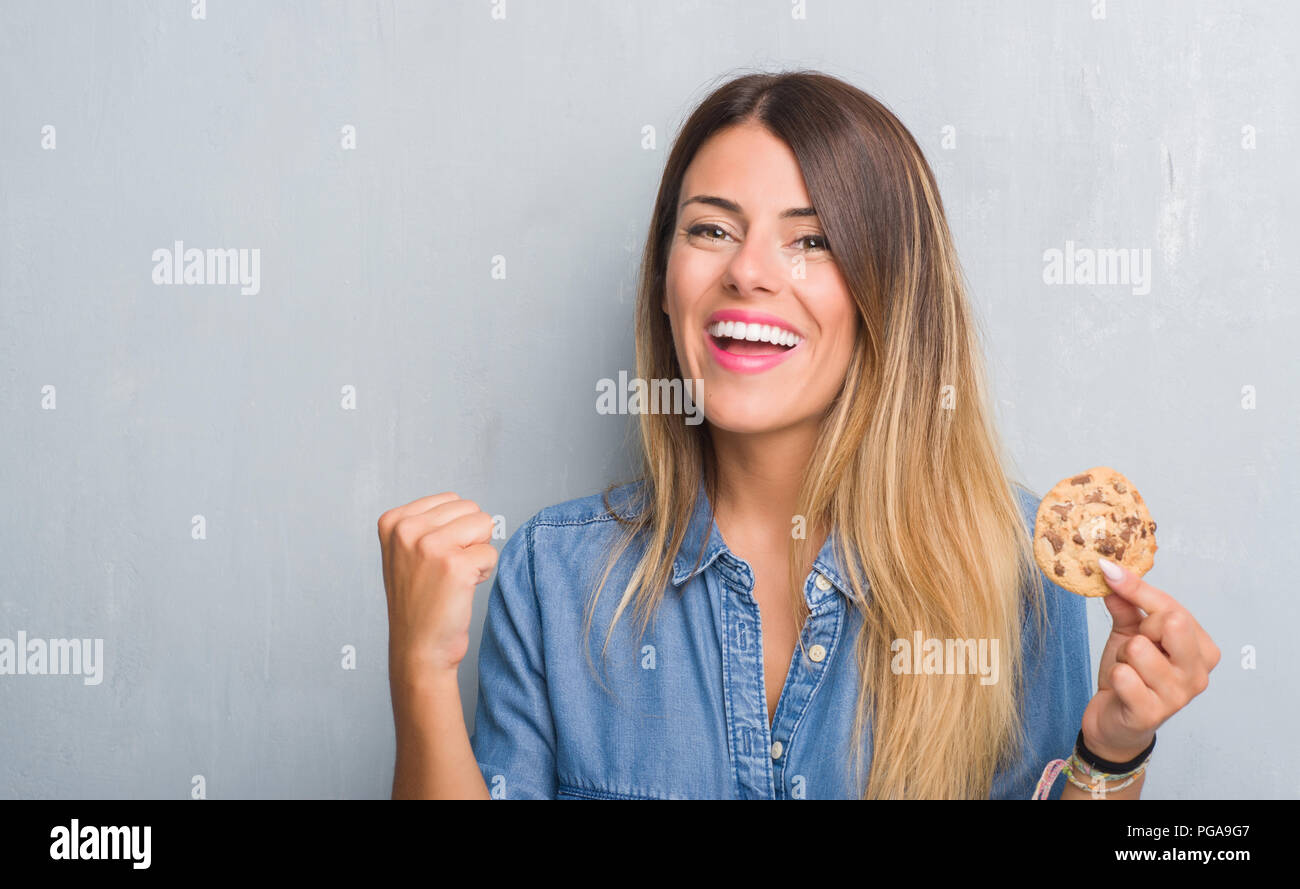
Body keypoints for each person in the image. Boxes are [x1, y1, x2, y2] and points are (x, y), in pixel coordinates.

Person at [378, 70, 1219, 799]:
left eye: (810, 240)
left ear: (887, 295)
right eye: (710, 228)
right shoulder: (551, 577)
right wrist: (419, 670)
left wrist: (1111, 753)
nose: (748, 270)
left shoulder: (1012, 575)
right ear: (665, 285)